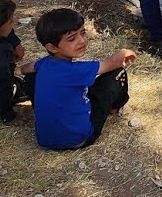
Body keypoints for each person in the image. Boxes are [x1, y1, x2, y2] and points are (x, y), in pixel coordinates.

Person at [30, 8, 135, 150]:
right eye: (72, 38)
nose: (82, 41)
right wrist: (124, 52)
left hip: (45, 140)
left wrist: (17, 70)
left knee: (31, 78)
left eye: (83, 33)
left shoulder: (44, 64)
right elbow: (112, 64)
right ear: (52, 47)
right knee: (117, 73)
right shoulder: (76, 71)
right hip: (79, 139)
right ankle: (115, 108)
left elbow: (28, 68)